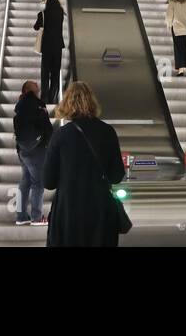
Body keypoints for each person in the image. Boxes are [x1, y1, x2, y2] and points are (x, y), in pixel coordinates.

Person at [43, 81, 126, 247]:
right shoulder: (107, 132)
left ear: (66, 103)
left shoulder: (60, 136)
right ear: (92, 102)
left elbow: (48, 182)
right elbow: (116, 176)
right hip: (100, 212)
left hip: (68, 213)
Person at [12, 80, 53, 226]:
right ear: (32, 92)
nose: (38, 93)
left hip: (22, 150)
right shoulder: (39, 106)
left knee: (24, 182)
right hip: (37, 150)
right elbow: (48, 128)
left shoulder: (18, 109)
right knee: (38, 183)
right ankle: (36, 217)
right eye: (37, 91)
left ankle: (21, 216)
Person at [35, 0, 65, 104]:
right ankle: (54, 98)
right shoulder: (61, 13)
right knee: (55, 72)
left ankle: (44, 97)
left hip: (47, 47)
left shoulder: (43, 14)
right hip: (58, 47)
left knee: (45, 72)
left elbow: (36, 27)